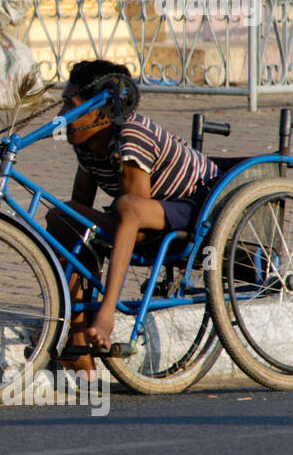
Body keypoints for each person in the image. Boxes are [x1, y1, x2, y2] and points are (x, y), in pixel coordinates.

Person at [46, 60, 221, 372]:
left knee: (125, 207)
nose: (61, 118)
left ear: (102, 109)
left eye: (69, 107)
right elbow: (80, 207)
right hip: (148, 214)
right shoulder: (86, 143)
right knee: (63, 221)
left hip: (195, 207)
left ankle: (106, 314)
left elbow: (135, 217)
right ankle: (76, 341)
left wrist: (98, 226)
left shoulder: (132, 134)